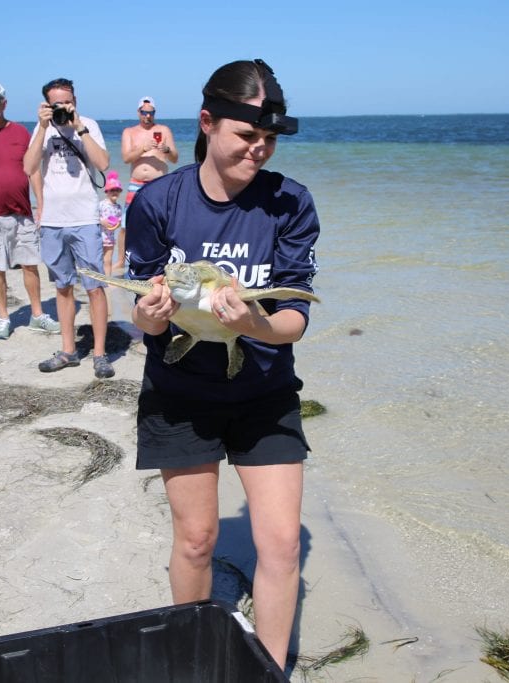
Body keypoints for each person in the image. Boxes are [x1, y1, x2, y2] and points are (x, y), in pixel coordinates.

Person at [125, 59, 318, 669]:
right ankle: (192, 660)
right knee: (198, 538)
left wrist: (250, 324)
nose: (258, 150)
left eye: (269, 140)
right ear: (207, 123)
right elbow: (144, 319)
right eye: (245, 136)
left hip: (264, 391)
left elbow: (295, 320)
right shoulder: (157, 203)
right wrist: (154, 314)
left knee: (283, 544)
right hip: (180, 392)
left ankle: (270, 668)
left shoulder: (290, 203)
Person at [24, 77, 114, 378]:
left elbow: (103, 163)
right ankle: (68, 350)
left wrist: (80, 128)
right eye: (56, 102)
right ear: (47, 104)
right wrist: (42, 128)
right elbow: (27, 167)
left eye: (67, 101)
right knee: (62, 287)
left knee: (95, 287)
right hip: (52, 221)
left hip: (85, 218)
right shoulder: (42, 129)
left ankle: (100, 354)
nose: (63, 106)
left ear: (75, 99)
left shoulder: (87, 124)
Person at [0, 82, 59, 339]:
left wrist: (41, 204)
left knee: (29, 264)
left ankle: (37, 315)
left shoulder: (20, 133)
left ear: (4, 103)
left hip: (22, 212)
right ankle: (3, 318)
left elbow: (33, 169)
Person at [119, 96, 178, 268]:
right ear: (138, 112)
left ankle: (164, 258)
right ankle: (122, 261)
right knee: (127, 224)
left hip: (160, 184)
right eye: (144, 112)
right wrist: (143, 148)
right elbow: (126, 158)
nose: (147, 116)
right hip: (136, 183)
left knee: (163, 224)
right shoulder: (129, 132)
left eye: (151, 112)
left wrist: (166, 149)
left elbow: (175, 158)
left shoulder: (164, 130)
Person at [98, 171, 123, 276]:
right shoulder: (102, 204)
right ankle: (97, 279)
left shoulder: (118, 207)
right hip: (98, 236)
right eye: (112, 190)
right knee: (97, 259)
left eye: (117, 190)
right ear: (107, 191)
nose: (115, 192)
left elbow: (120, 221)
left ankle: (108, 280)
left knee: (108, 260)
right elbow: (93, 217)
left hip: (110, 238)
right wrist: (102, 221)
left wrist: (116, 225)